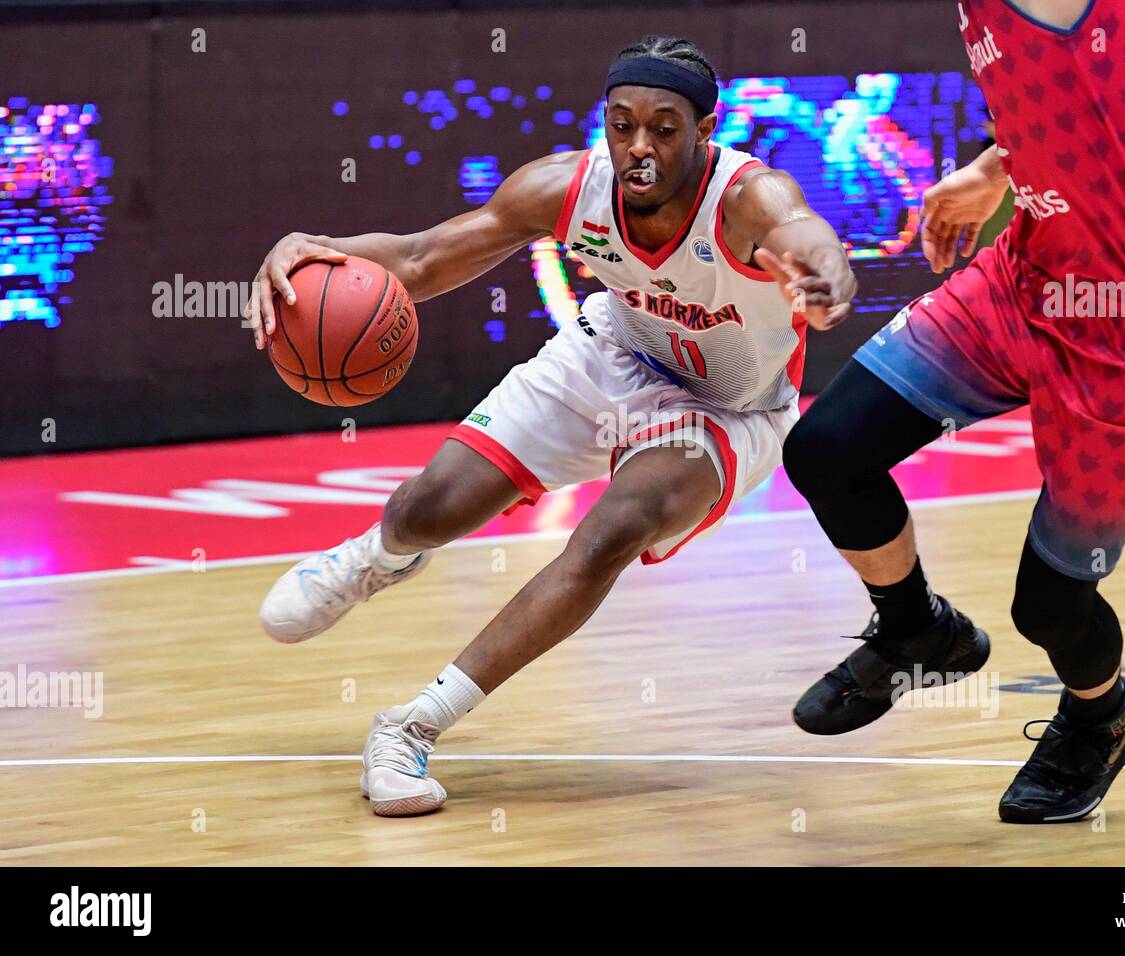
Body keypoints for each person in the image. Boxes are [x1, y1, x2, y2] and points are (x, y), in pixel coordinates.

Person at [243, 35, 856, 816]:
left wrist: (826, 272)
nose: (639, 146)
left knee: (615, 528)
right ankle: (381, 556)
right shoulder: (564, 187)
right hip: (614, 352)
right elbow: (424, 258)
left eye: (664, 128)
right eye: (621, 122)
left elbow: (804, 231)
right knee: (427, 509)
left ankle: (411, 727)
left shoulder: (746, 198)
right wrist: (313, 253)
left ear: (706, 130)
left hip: (727, 408)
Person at [782, 0, 1125, 823]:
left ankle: (1101, 715)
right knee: (827, 449)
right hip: (1033, 273)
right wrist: (997, 169)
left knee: (1049, 605)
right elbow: (1078, 99)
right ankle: (919, 632)